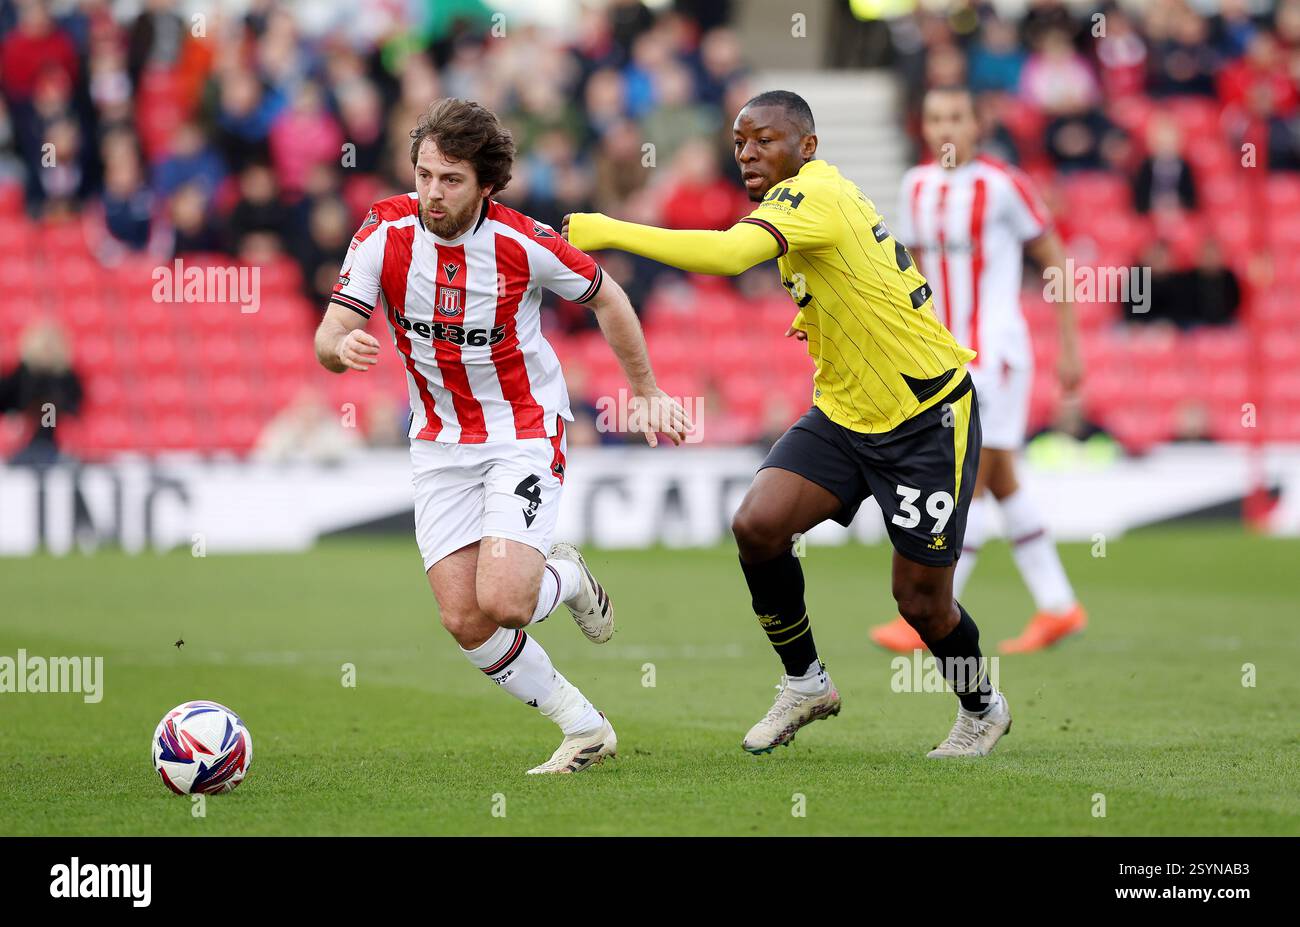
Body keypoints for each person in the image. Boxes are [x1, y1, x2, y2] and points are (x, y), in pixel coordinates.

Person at [566, 90, 1011, 759]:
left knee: (921, 604)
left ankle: (982, 705)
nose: (747, 152)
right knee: (757, 524)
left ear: (806, 146)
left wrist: (609, 229)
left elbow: (723, 256)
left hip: (926, 415)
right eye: (740, 141)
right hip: (844, 411)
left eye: (765, 139)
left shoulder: (813, 197)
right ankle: (806, 681)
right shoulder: (794, 205)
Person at [314, 98, 691, 774]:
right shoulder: (383, 228)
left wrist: (647, 392)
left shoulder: (524, 241)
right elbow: (329, 332)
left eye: (450, 179)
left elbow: (609, 295)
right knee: (464, 617)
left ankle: (567, 576)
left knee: (508, 602)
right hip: (436, 442)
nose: (432, 191)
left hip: (521, 430)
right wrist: (341, 349)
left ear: (486, 185)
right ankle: (584, 726)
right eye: (425, 173)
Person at [873, 86, 1087, 656]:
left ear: (976, 125)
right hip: (943, 357)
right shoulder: (913, 186)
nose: (946, 127)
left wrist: (1070, 343)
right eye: (936, 116)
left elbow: (1054, 259)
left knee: (965, 478)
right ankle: (1059, 607)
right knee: (997, 480)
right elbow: (908, 273)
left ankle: (927, 615)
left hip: (998, 355)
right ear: (924, 126)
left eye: (956, 117)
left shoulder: (1002, 184)